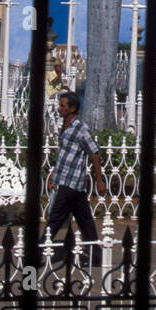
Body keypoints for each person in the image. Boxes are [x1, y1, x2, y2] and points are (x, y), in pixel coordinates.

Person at [45, 90, 107, 267]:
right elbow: (64, 155)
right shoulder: (65, 125)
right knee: (85, 221)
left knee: (55, 220)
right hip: (69, 183)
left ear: (72, 108)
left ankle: (38, 250)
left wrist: (99, 179)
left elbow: (94, 152)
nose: (59, 108)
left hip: (72, 183)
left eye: (62, 105)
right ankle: (96, 255)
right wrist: (54, 176)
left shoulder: (80, 128)